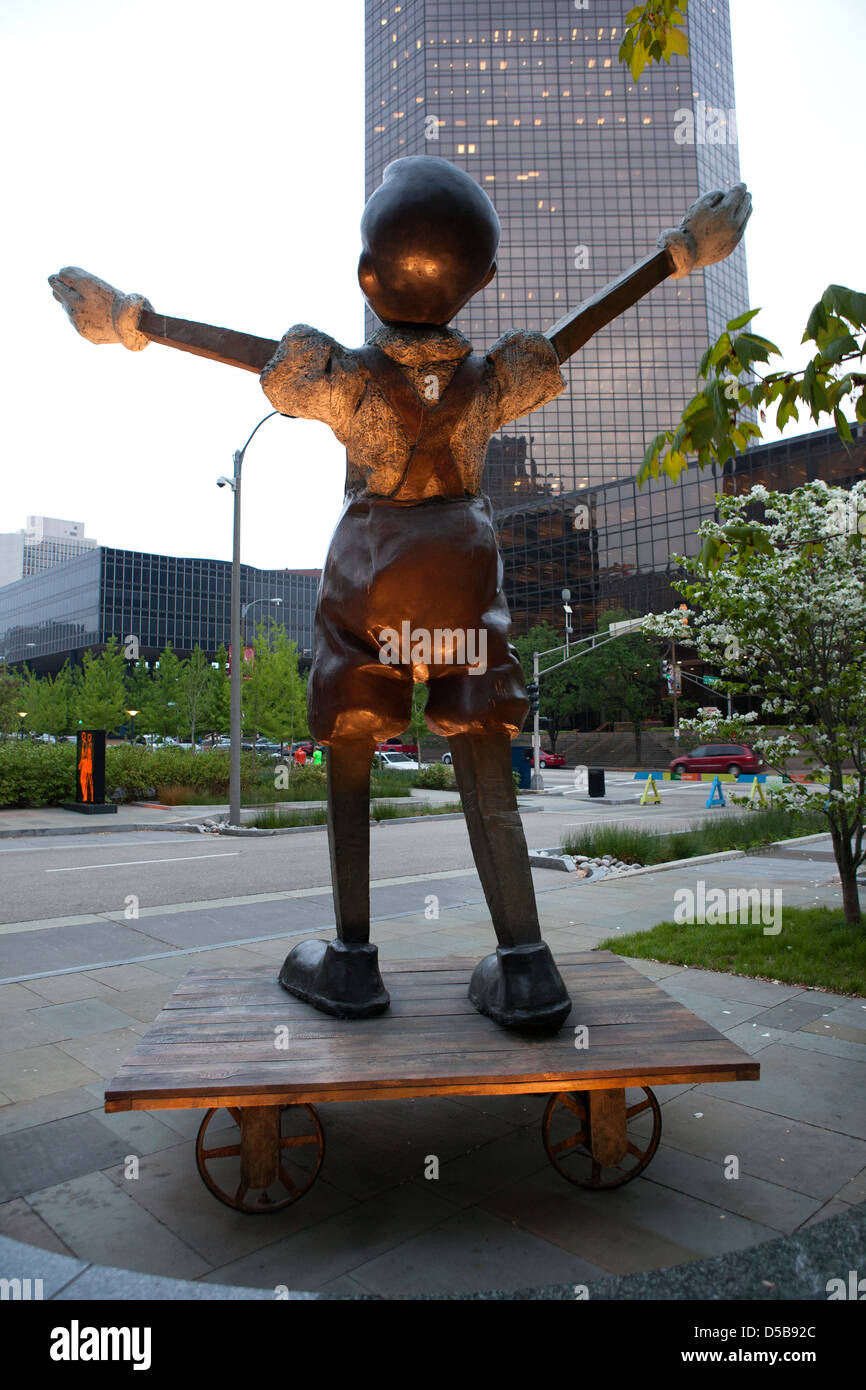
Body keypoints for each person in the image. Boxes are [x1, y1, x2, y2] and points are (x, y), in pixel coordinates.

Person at [48, 157, 750, 1029]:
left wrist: (131, 321)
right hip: (461, 589)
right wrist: (679, 254)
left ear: (365, 279)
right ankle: (526, 966)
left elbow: (250, 353)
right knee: (482, 739)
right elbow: (574, 333)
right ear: (484, 283)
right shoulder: (494, 379)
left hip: (368, 588)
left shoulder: (337, 377)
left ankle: (351, 961)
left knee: (351, 735)